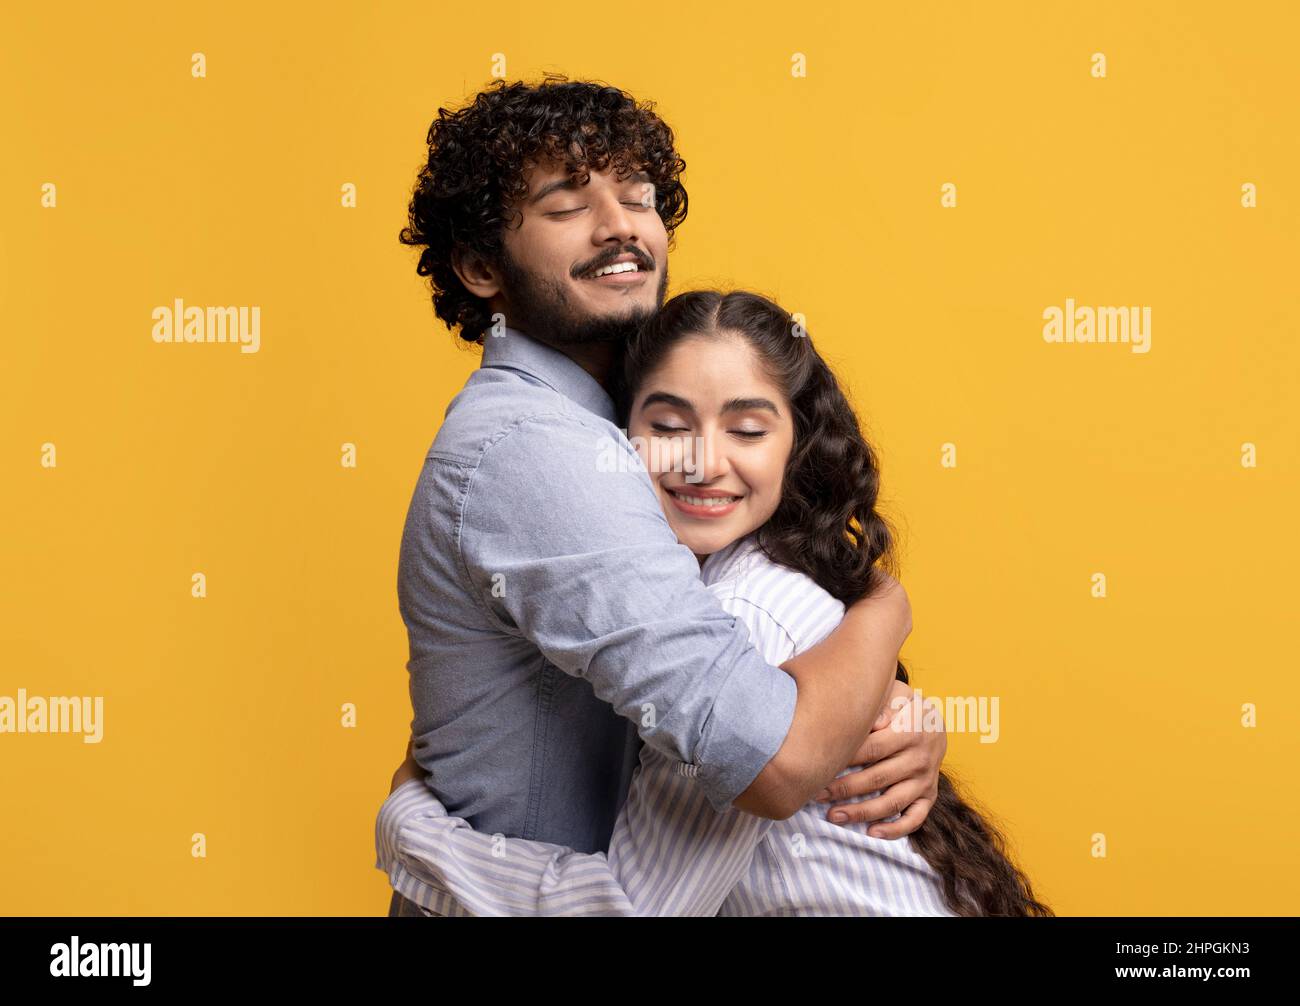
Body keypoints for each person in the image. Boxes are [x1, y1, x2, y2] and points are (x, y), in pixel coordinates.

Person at [383, 76, 946, 917]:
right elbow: (775, 760)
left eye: (638, 194)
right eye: (566, 204)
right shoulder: (542, 449)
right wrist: (883, 611)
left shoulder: (615, 432)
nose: (620, 225)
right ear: (479, 267)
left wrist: (885, 709)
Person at [377, 290, 1053, 916]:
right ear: (616, 435)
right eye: (670, 425)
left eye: (748, 431)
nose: (703, 463)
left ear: (796, 446)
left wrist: (411, 829)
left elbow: (634, 909)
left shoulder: (747, 613)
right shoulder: (708, 589)